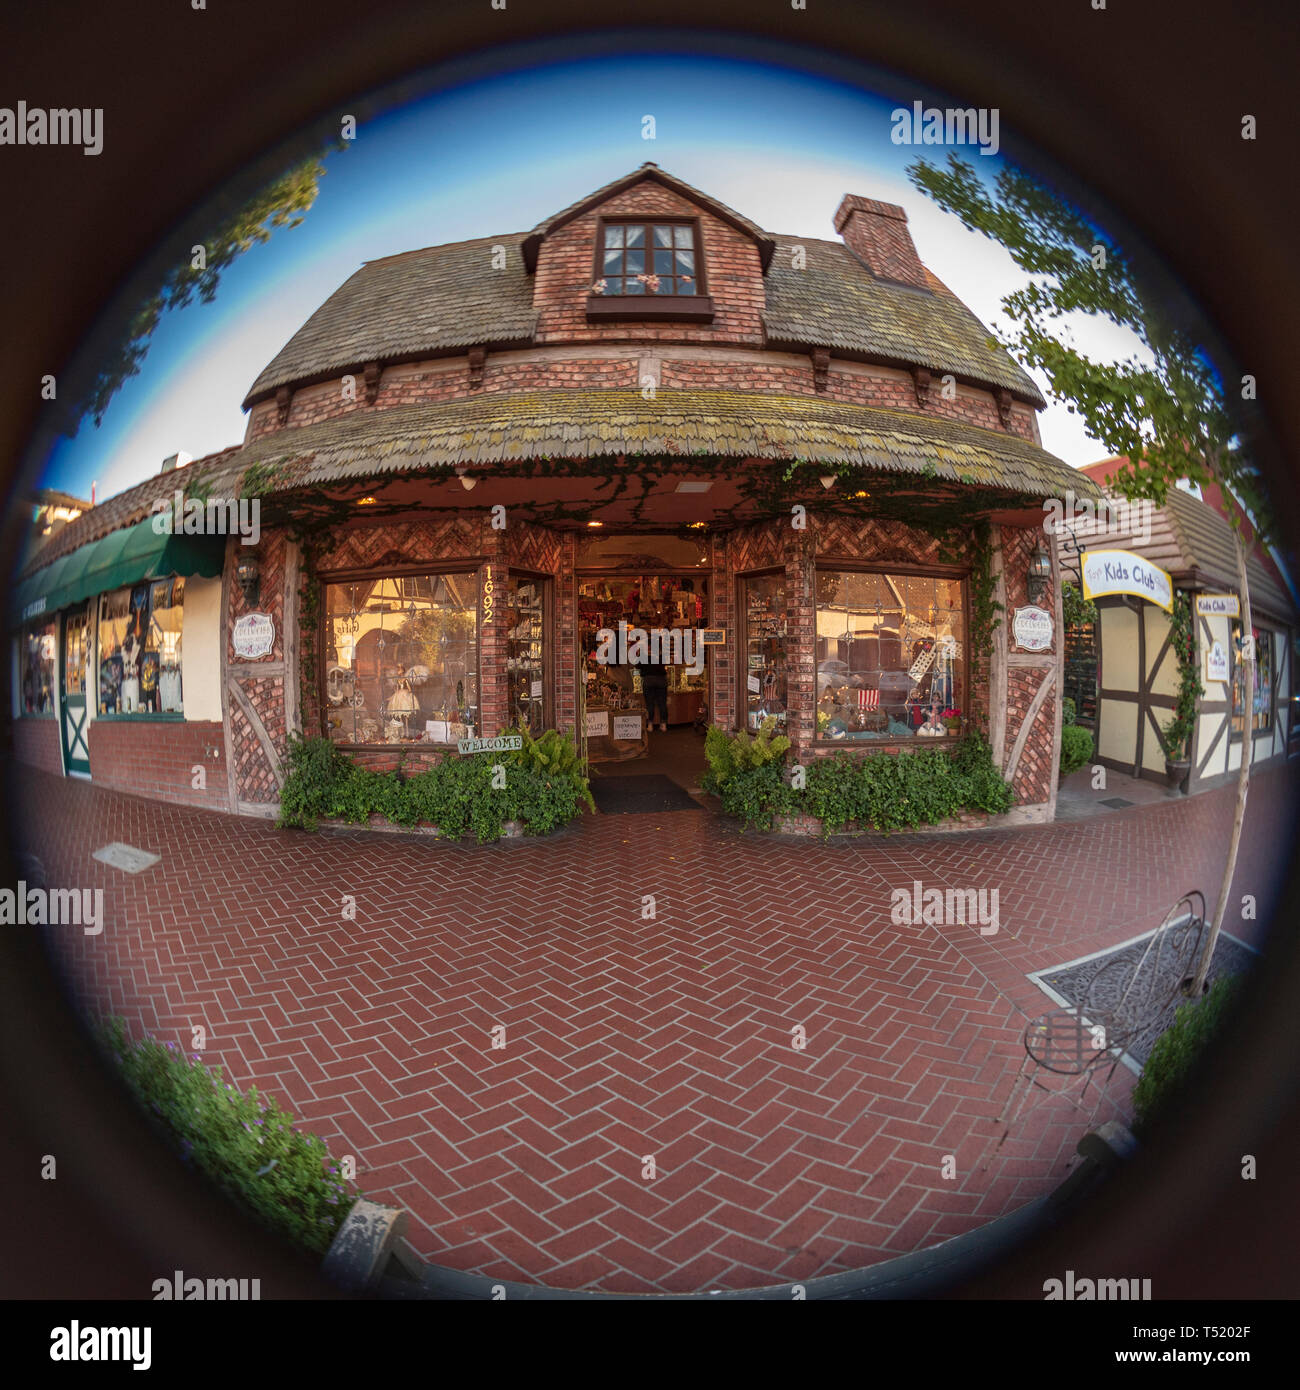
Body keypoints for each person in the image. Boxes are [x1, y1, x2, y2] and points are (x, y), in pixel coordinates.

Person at [641, 655, 669, 732]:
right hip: (661, 680)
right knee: (662, 703)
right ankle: (663, 724)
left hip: (648, 680)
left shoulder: (644, 655)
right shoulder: (661, 655)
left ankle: (650, 725)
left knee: (650, 704)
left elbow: (638, 666)